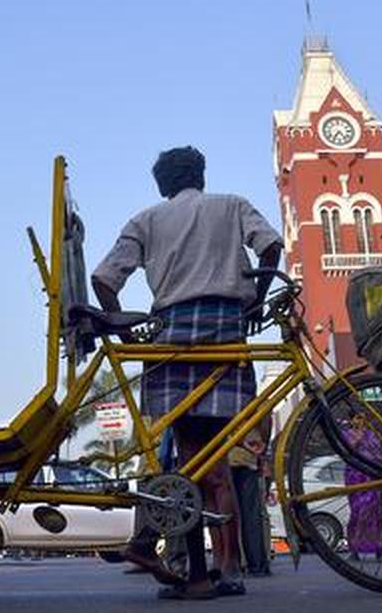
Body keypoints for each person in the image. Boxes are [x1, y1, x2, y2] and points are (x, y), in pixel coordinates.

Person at [92, 145, 283, 600]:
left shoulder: (147, 219)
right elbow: (272, 244)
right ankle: (225, 567)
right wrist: (257, 295)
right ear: (200, 174)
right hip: (224, 335)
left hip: (172, 340)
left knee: (190, 458)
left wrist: (124, 335)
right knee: (214, 465)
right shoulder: (232, 204)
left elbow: (104, 279)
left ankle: (188, 567)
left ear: (162, 184)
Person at [229, 420, 272, 576]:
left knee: (229, 514)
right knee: (252, 514)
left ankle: (234, 563)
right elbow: (266, 425)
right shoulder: (251, 401)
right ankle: (257, 563)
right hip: (249, 457)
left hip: (225, 456)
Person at [344, 413, 382, 562]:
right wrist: (358, 438)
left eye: (362, 418)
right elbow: (348, 450)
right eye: (356, 417)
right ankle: (354, 549)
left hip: (372, 475)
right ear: (351, 420)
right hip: (356, 477)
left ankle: (379, 550)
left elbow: (379, 453)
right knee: (357, 512)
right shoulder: (347, 435)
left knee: (374, 512)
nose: (359, 421)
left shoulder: (372, 435)